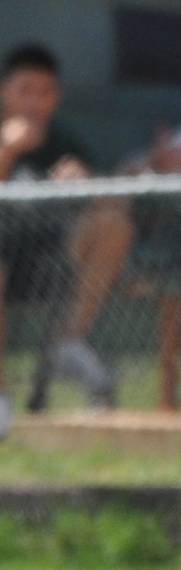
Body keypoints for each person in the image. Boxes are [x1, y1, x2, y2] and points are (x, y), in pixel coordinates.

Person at [0, 44, 131, 441]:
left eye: (45, 92)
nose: (35, 102)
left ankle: (69, 342)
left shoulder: (63, 140)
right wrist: (6, 150)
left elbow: (114, 205)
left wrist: (87, 186)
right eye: (25, 90)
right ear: (2, 91)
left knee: (112, 225)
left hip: (45, 261)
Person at [118, 126, 181, 410]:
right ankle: (167, 398)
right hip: (166, 257)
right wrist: (157, 159)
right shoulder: (172, 144)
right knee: (171, 302)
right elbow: (125, 173)